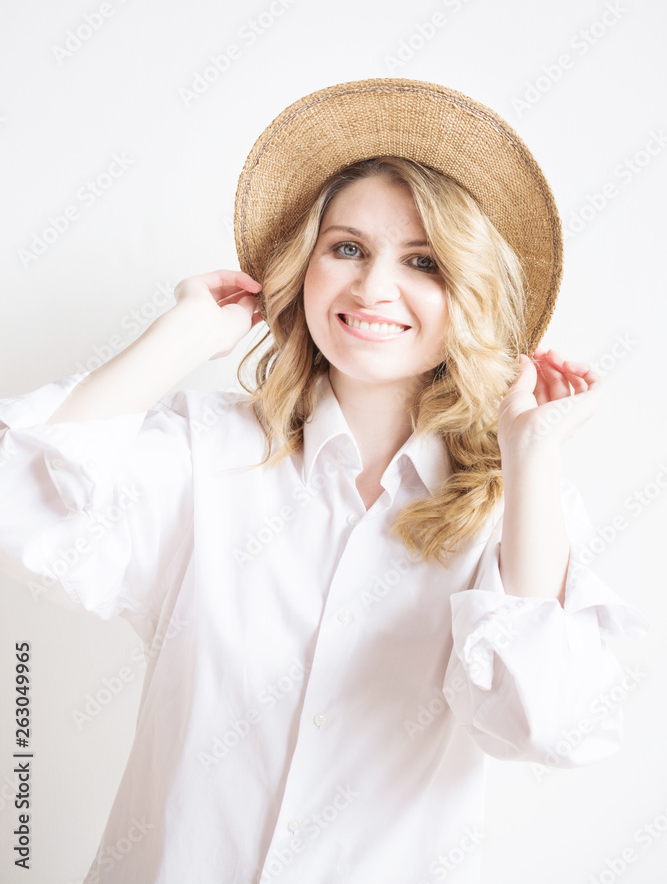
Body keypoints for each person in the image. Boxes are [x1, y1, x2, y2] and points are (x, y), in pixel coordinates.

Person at [0, 77, 649, 884]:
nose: (373, 287)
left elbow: (549, 725)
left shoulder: (514, 511)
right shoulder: (203, 456)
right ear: (304, 266)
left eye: (422, 261)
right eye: (346, 248)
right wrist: (178, 337)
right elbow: (19, 510)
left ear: (471, 293)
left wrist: (528, 456)